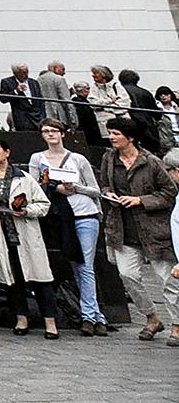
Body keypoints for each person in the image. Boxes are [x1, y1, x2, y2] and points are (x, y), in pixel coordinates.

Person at [95, 119, 177, 340]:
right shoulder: (109, 158)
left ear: (130, 137)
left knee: (168, 280)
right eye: (110, 133)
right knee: (127, 275)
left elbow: (169, 193)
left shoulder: (151, 162)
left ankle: (177, 325)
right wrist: (108, 193)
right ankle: (152, 317)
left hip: (154, 231)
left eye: (116, 133)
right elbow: (104, 183)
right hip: (122, 228)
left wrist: (140, 200)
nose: (111, 137)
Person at [0, 135, 59, 338]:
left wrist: (27, 211)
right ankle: (21, 318)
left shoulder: (23, 178)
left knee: (41, 278)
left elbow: (43, 204)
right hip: (2, 234)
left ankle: (50, 322)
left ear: (7, 152)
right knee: (13, 279)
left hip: (25, 234)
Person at [31, 117, 106, 334]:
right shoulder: (37, 158)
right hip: (60, 216)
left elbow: (96, 190)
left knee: (85, 265)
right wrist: (55, 188)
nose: (51, 134)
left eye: (55, 130)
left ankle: (89, 316)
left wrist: (76, 187)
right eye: (46, 131)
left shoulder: (78, 159)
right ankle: (95, 315)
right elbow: (35, 186)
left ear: (63, 133)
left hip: (84, 213)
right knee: (75, 264)